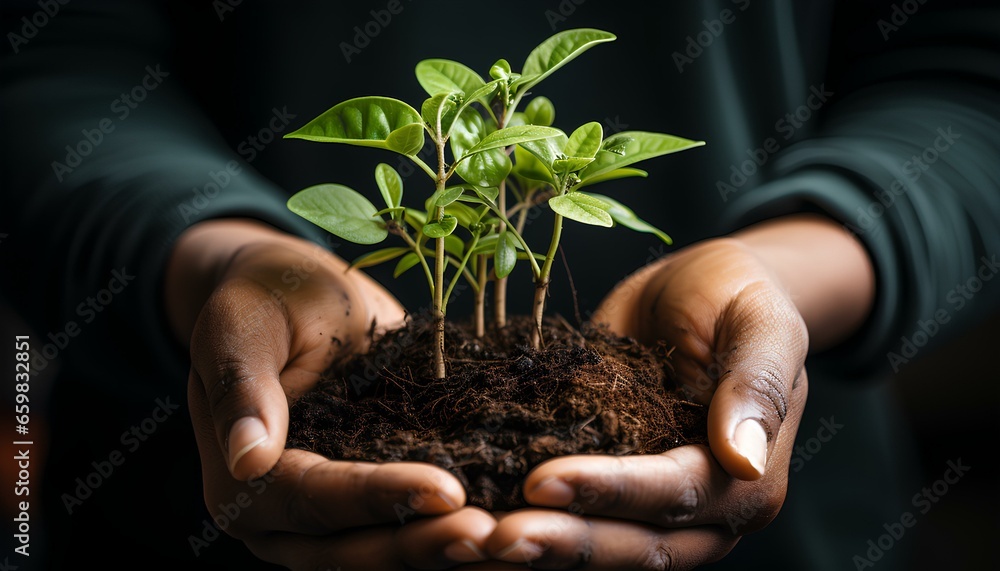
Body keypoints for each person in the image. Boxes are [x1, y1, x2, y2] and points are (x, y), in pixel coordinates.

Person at [2, 0, 997, 569]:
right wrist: (217, 262)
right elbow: (47, 59)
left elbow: (966, 72)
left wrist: (787, 270)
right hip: (173, 503)